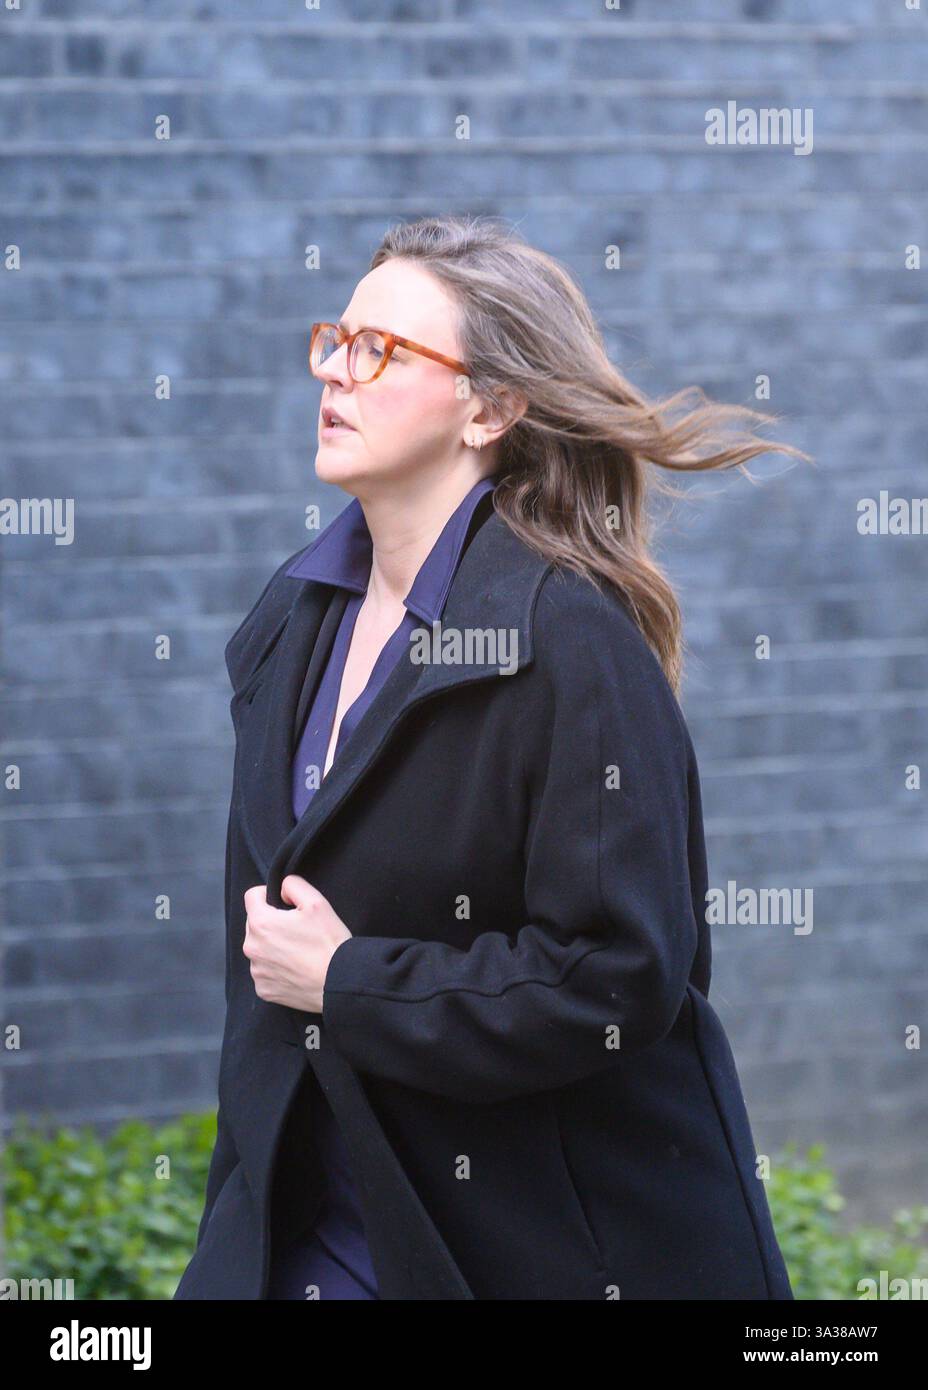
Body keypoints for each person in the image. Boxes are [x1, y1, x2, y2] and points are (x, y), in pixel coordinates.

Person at [174, 214, 805, 1301]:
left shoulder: (571, 641)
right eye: (336, 338)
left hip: (518, 1246)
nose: (334, 373)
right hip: (305, 1229)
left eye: (383, 352)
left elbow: (619, 975)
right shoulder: (292, 617)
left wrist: (349, 981)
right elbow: (265, 980)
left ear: (492, 406)